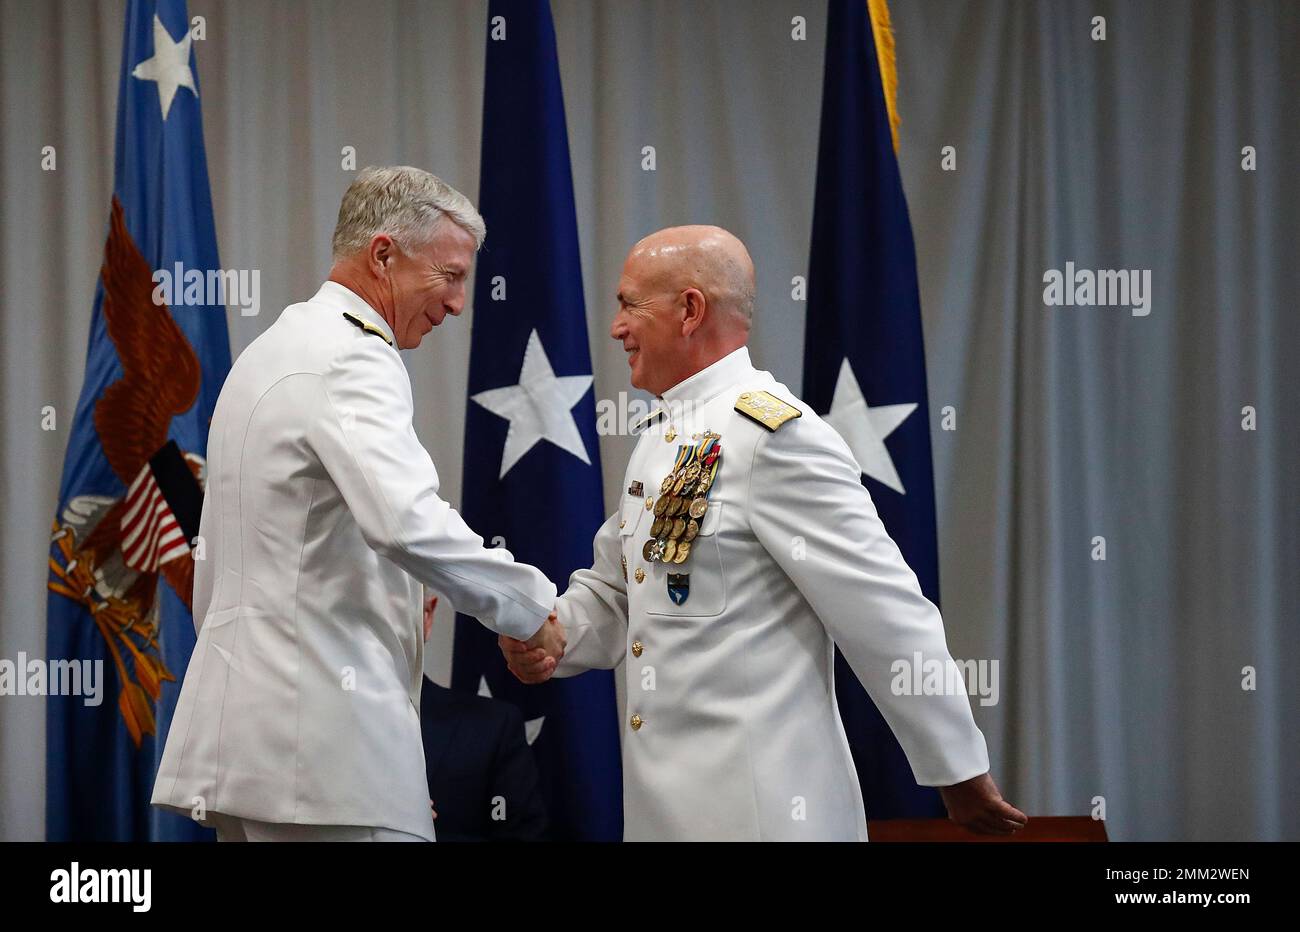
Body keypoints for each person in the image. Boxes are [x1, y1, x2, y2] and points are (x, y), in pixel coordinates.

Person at [501, 225, 1025, 841]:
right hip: (663, 817)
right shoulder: (659, 439)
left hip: (766, 813)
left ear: (690, 310)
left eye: (629, 304)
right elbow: (621, 592)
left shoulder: (776, 436)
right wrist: (552, 633)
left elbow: (885, 608)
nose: (616, 327)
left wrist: (957, 770)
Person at [152, 166, 565, 842]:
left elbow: (218, 565)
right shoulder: (351, 357)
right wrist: (528, 608)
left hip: (257, 748)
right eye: (451, 275)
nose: (460, 304)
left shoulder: (271, 353)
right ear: (383, 254)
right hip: (323, 755)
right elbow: (405, 523)